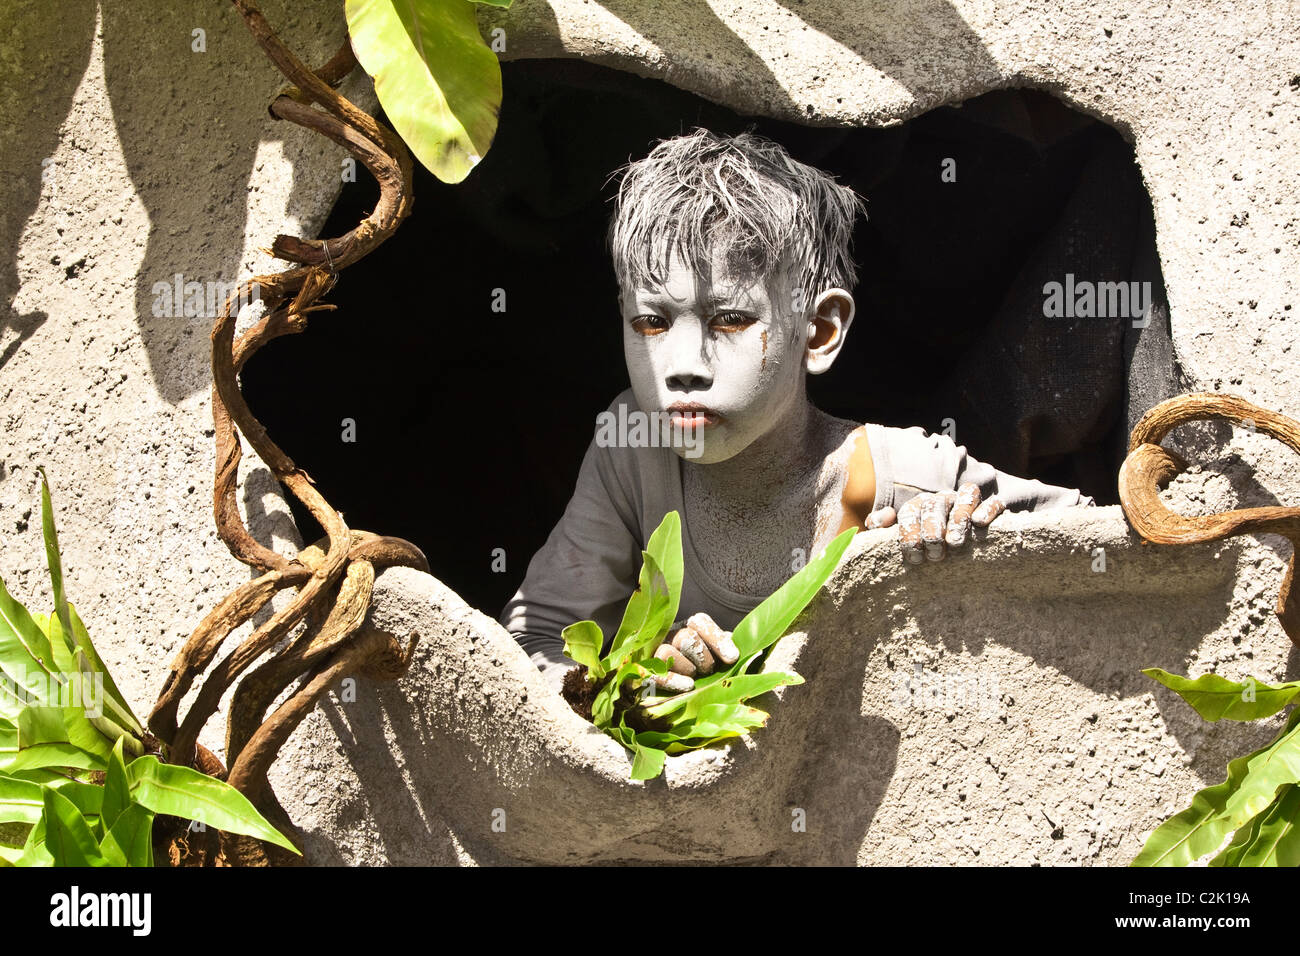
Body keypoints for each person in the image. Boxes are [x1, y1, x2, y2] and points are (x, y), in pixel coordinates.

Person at [500, 128, 1095, 692]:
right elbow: (538, 634)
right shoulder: (634, 448)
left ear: (819, 332)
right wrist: (631, 682)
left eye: (730, 319)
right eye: (651, 322)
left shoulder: (908, 476)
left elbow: (1106, 554)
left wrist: (970, 538)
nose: (682, 364)